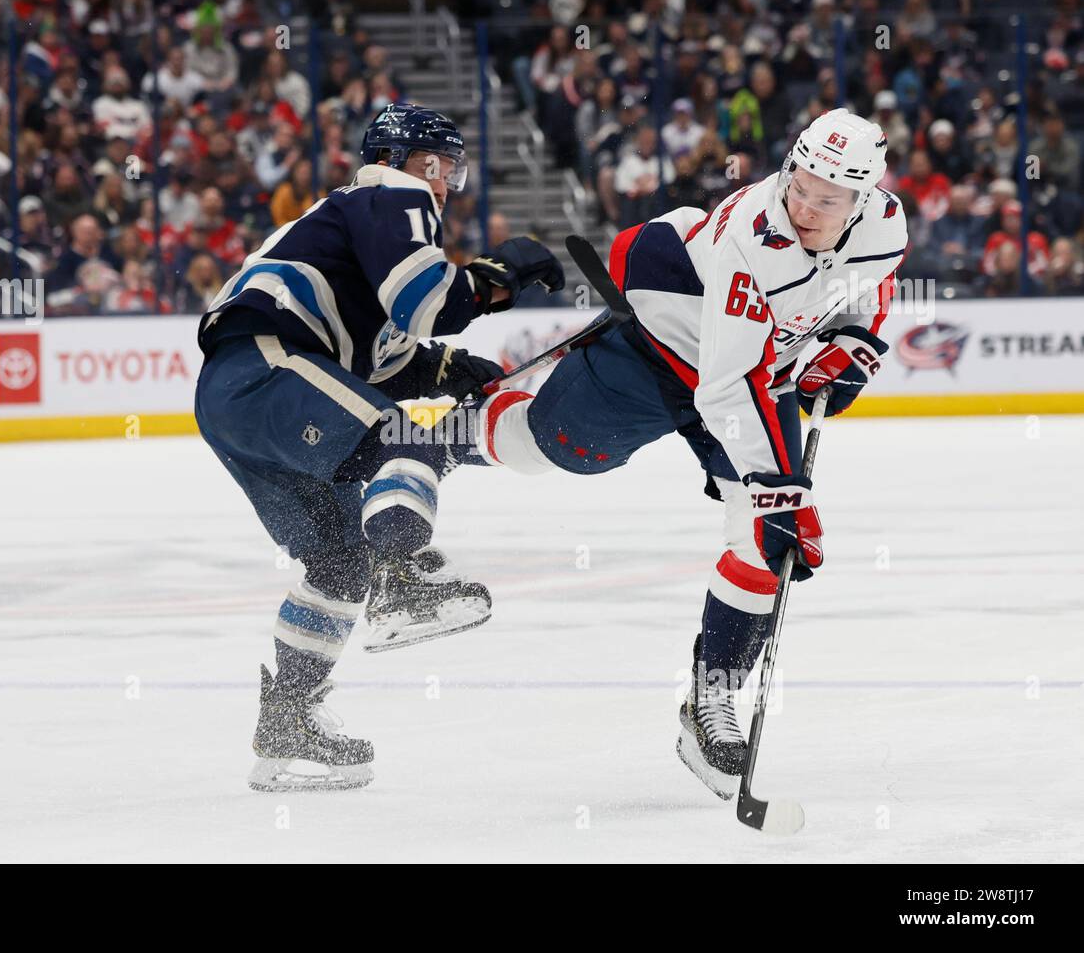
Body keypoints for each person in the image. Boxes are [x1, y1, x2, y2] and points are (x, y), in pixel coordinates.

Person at [471, 109, 908, 801]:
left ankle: (711, 704)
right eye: (800, 183)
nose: (806, 205)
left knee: (768, 541)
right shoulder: (753, 236)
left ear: (865, 199)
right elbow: (727, 387)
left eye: (829, 197)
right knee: (550, 449)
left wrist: (857, 344)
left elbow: (873, 283)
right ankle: (444, 437)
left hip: (750, 374)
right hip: (662, 344)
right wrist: (777, 491)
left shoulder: (886, 223)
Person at [194, 104, 564, 792]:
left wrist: (446, 368)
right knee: (403, 436)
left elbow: (388, 352)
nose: (449, 183)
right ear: (415, 159)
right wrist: (495, 278)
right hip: (266, 366)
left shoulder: (349, 234)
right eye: (446, 166)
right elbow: (427, 300)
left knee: (336, 563)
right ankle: (402, 584)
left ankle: (288, 720)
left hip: (241, 394)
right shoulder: (389, 191)